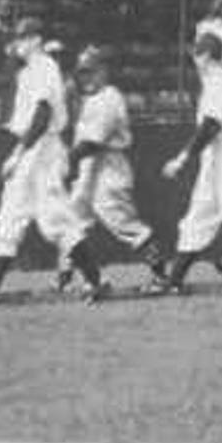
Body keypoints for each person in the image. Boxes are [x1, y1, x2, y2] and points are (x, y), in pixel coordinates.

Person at [0, 19, 79, 302]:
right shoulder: (28, 72)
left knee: (55, 219)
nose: (18, 44)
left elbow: (43, 115)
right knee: (10, 216)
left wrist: (18, 153)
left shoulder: (45, 67)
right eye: (16, 38)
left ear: (36, 39)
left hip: (42, 147)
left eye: (23, 38)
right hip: (32, 146)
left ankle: (94, 280)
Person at [153, 33, 222, 293]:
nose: (194, 59)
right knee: (199, 215)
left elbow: (211, 125)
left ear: (206, 56)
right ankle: (174, 280)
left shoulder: (221, 82)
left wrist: (182, 158)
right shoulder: (215, 81)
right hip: (218, 156)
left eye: (197, 53)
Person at [61, 44, 160, 300]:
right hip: (87, 167)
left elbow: (94, 142)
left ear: (104, 71)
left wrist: (69, 162)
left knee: (122, 222)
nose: (85, 77)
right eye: (82, 72)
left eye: (91, 71)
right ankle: (67, 279)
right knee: (72, 221)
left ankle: (161, 276)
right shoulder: (87, 98)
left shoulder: (110, 97)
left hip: (108, 167)